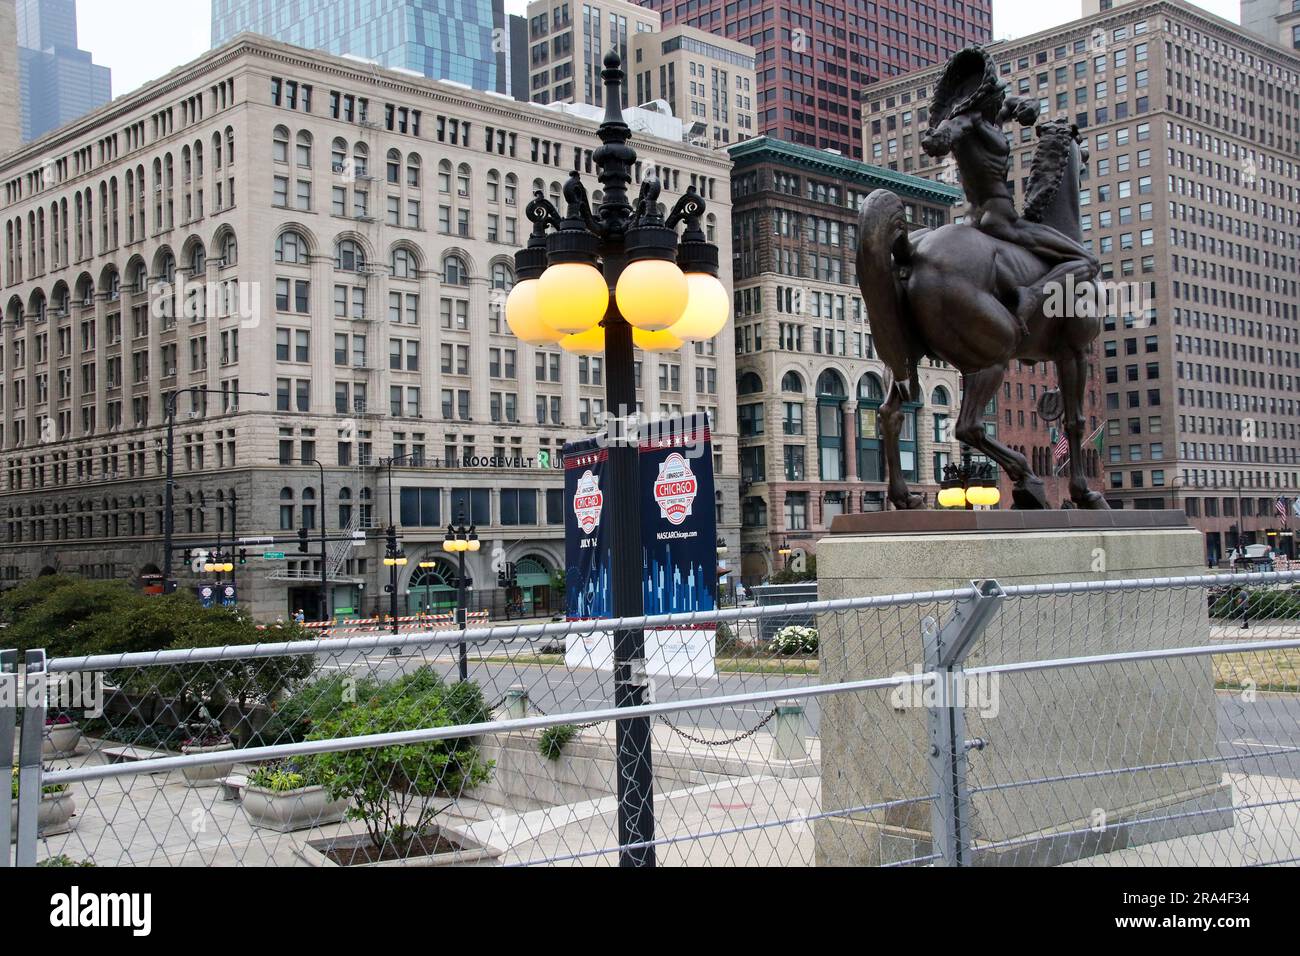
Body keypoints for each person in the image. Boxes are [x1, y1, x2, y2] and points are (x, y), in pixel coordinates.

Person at [921, 47, 1099, 337]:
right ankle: (1032, 296)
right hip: (1002, 220)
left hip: (975, 219)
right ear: (984, 95)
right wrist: (939, 136)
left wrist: (1027, 106)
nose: (1001, 96)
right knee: (1088, 261)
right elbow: (949, 130)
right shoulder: (971, 121)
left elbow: (1018, 105)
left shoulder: (990, 117)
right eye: (997, 91)